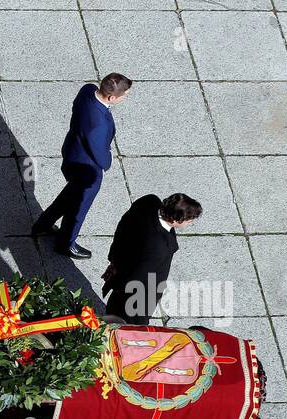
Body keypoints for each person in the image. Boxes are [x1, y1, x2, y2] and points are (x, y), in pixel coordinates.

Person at [31, 73, 133, 259]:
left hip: (72, 151)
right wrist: (108, 159)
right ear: (111, 98)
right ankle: (65, 243)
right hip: (87, 170)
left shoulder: (87, 91)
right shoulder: (98, 125)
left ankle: (44, 223)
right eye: (124, 94)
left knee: (70, 195)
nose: (125, 97)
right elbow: (102, 157)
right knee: (78, 208)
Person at [102, 193, 203, 322]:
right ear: (175, 220)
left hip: (122, 264)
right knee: (131, 323)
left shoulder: (148, 201)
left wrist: (115, 262)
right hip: (138, 292)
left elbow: (123, 226)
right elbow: (138, 276)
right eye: (189, 220)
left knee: (115, 306)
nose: (190, 222)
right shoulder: (159, 246)